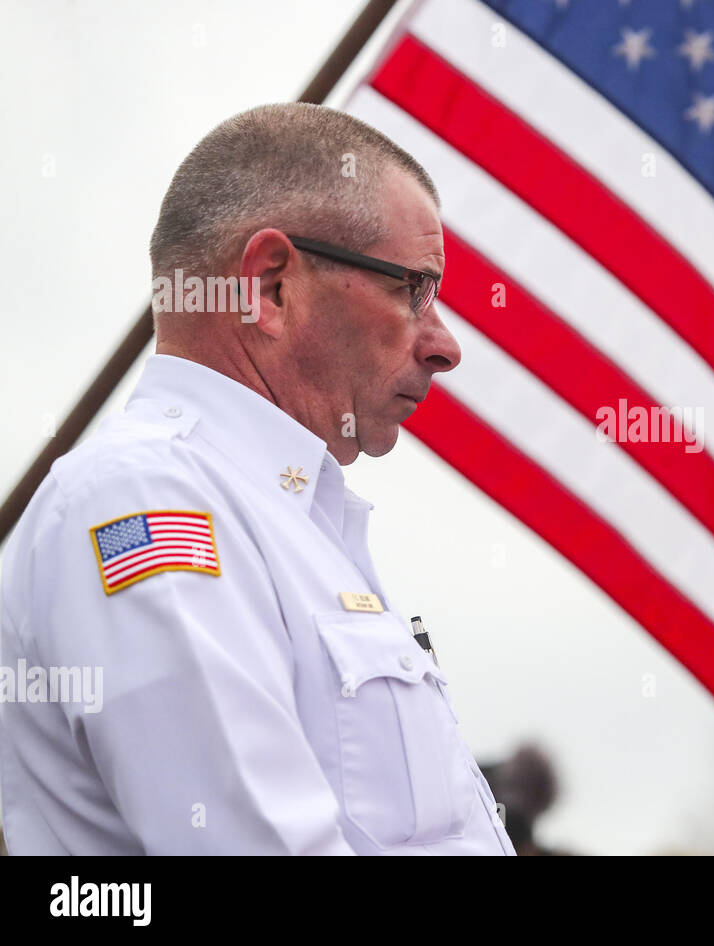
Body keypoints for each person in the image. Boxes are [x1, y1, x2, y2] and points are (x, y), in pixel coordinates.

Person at [0, 103, 515, 855]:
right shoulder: (147, 502)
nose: (444, 346)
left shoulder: (281, 518)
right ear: (270, 285)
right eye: (413, 289)